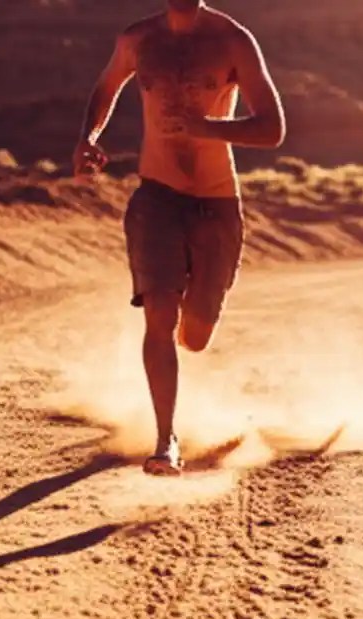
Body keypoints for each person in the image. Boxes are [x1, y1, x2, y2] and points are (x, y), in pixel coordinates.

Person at [73, 0, 286, 475]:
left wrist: (204, 128)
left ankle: (197, 391)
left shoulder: (233, 40)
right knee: (159, 314)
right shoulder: (137, 39)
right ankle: (165, 440)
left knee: (196, 332)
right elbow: (106, 87)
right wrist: (88, 138)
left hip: (215, 205)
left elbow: (272, 128)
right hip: (156, 199)